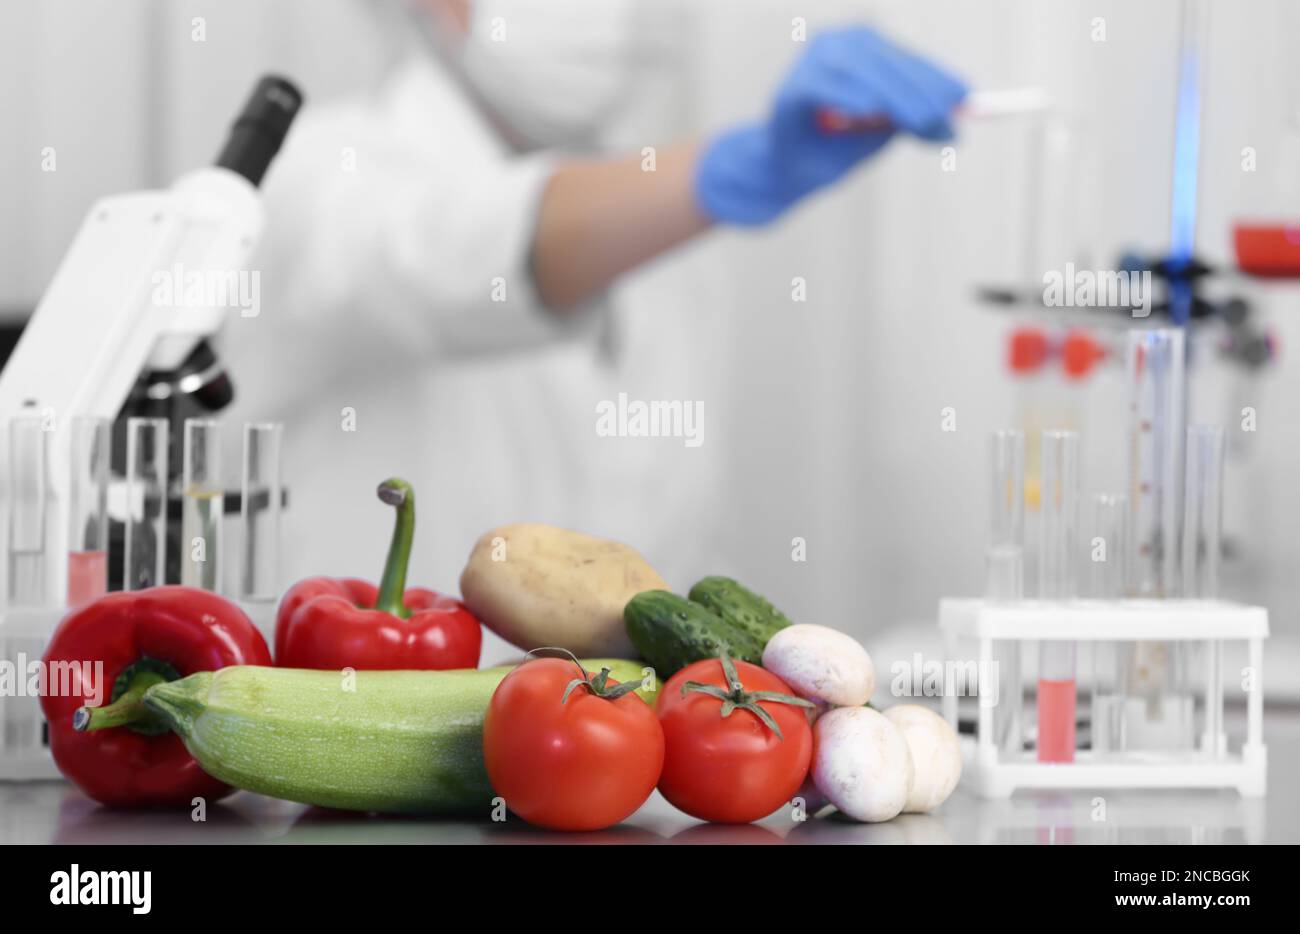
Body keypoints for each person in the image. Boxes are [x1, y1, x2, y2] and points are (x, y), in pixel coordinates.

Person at [221, 0, 966, 662]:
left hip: (615, 776)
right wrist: (739, 169)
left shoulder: (666, 236)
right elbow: (453, 246)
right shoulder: (313, 176)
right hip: (365, 781)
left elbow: (674, 558)